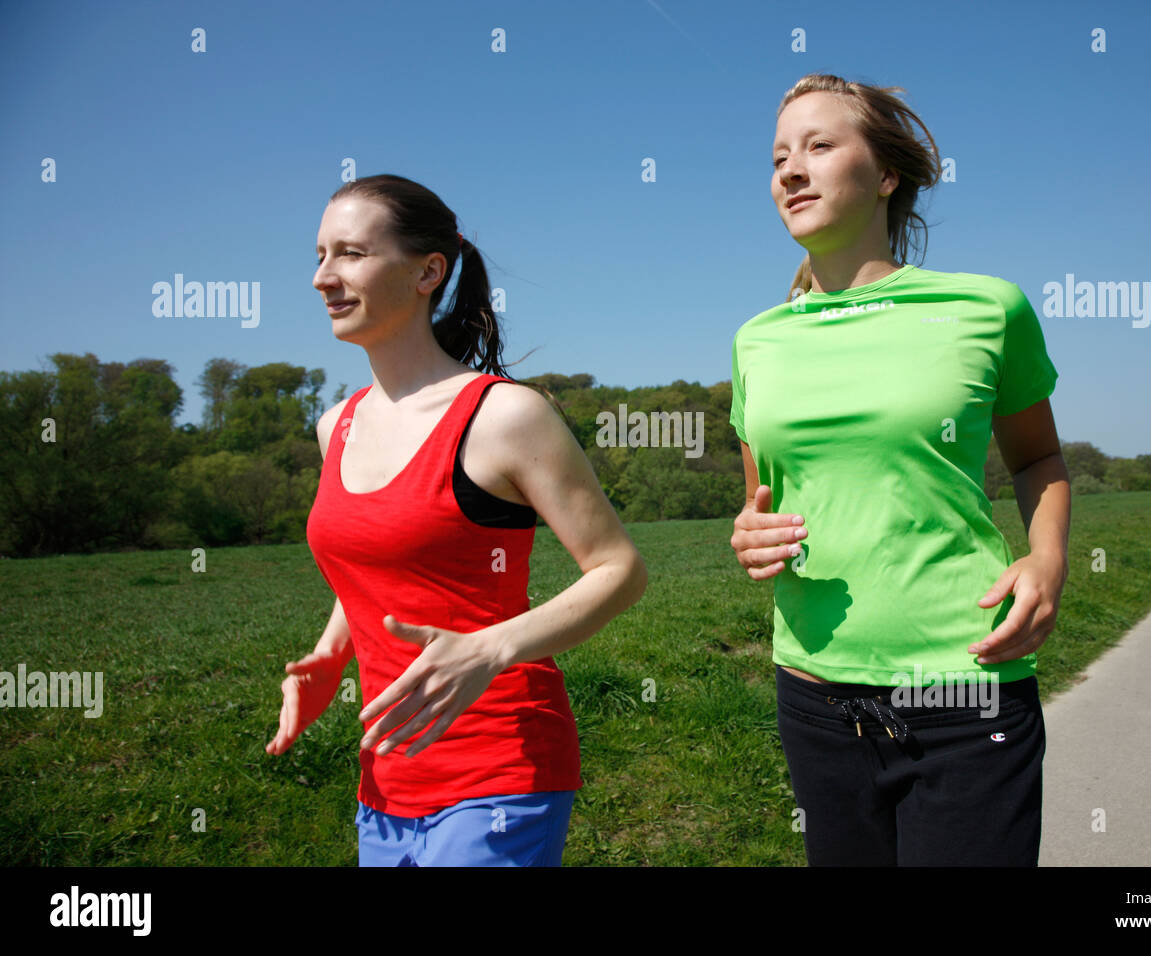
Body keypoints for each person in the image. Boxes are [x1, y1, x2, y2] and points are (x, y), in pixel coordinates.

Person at [729, 74, 1071, 866]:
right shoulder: (756, 341)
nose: (790, 170)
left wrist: (1047, 557)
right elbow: (758, 504)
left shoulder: (986, 309)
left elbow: (1039, 456)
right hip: (813, 693)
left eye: (818, 146)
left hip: (965, 683)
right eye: (779, 155)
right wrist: (749, 537)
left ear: (885, 174)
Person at [266, 173, 647, 866]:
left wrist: (491, 647)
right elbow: (375, 565)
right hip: (385, 777)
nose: (324, 277)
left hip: (501, 770)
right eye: (318, 255)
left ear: (427, 271)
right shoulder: (336, 427)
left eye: (350, 253)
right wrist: (330, 655)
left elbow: (619, 570)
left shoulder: (504, 416)